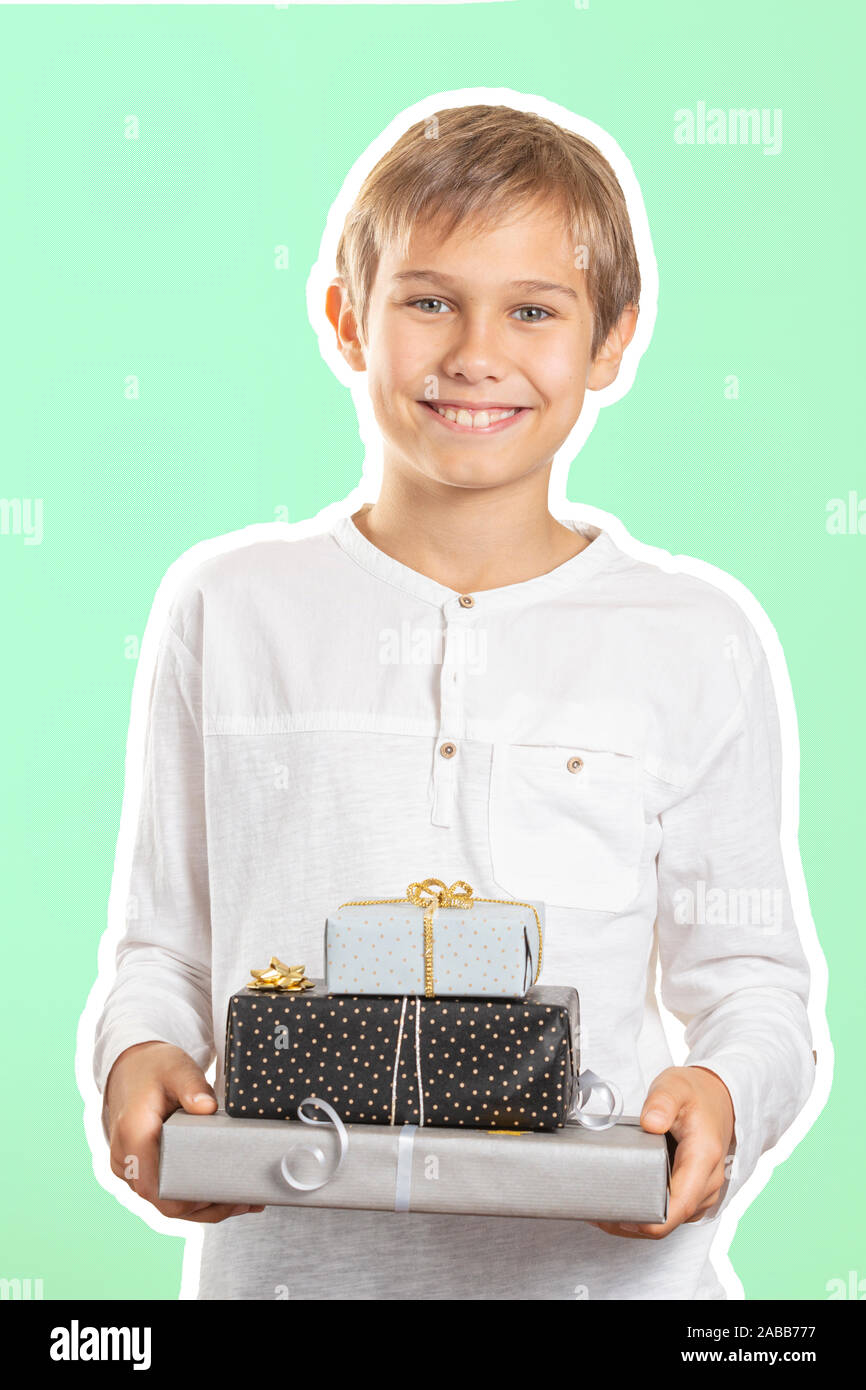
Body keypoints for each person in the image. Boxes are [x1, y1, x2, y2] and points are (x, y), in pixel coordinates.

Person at [92, 104, 816, 1299]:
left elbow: (751, 981)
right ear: (344, 317)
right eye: (429, 300)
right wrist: (139, 1051)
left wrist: (726, 1094)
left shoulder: (696, 637)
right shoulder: (228, 607)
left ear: (611, 342)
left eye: (533, 309)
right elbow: (165, 944)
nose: (476, 351)